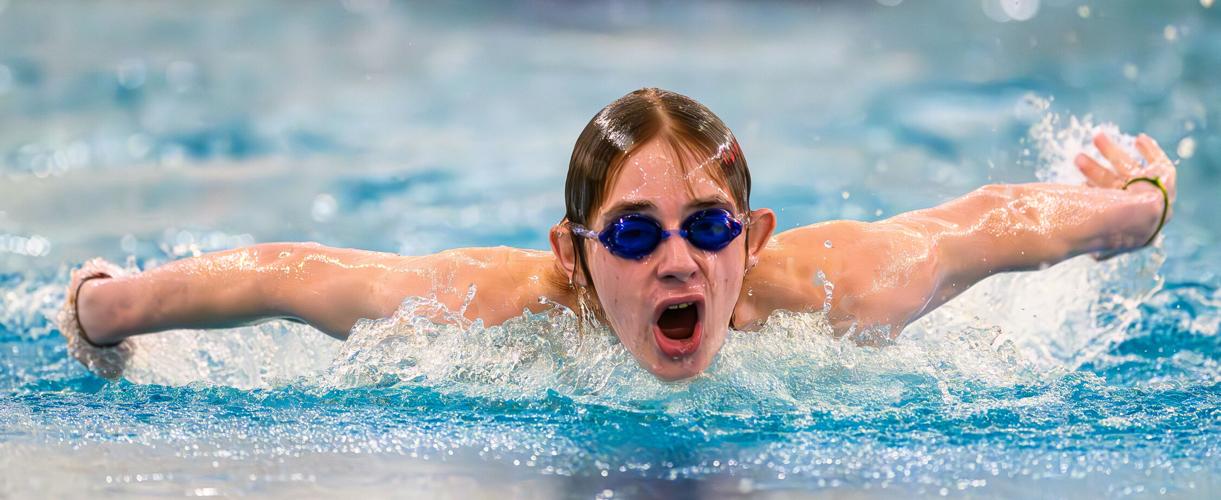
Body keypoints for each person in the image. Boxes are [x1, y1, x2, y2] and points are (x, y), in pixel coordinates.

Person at [58, 88, 1177, 381]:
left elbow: (986, 225)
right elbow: (300, 273)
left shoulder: (842, 286)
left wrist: (1138, 203)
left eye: (708, 226)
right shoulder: (500, 307)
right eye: (633, 234)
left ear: (756, 234)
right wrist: (107, 306)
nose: (679, 259)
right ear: (574, 254)